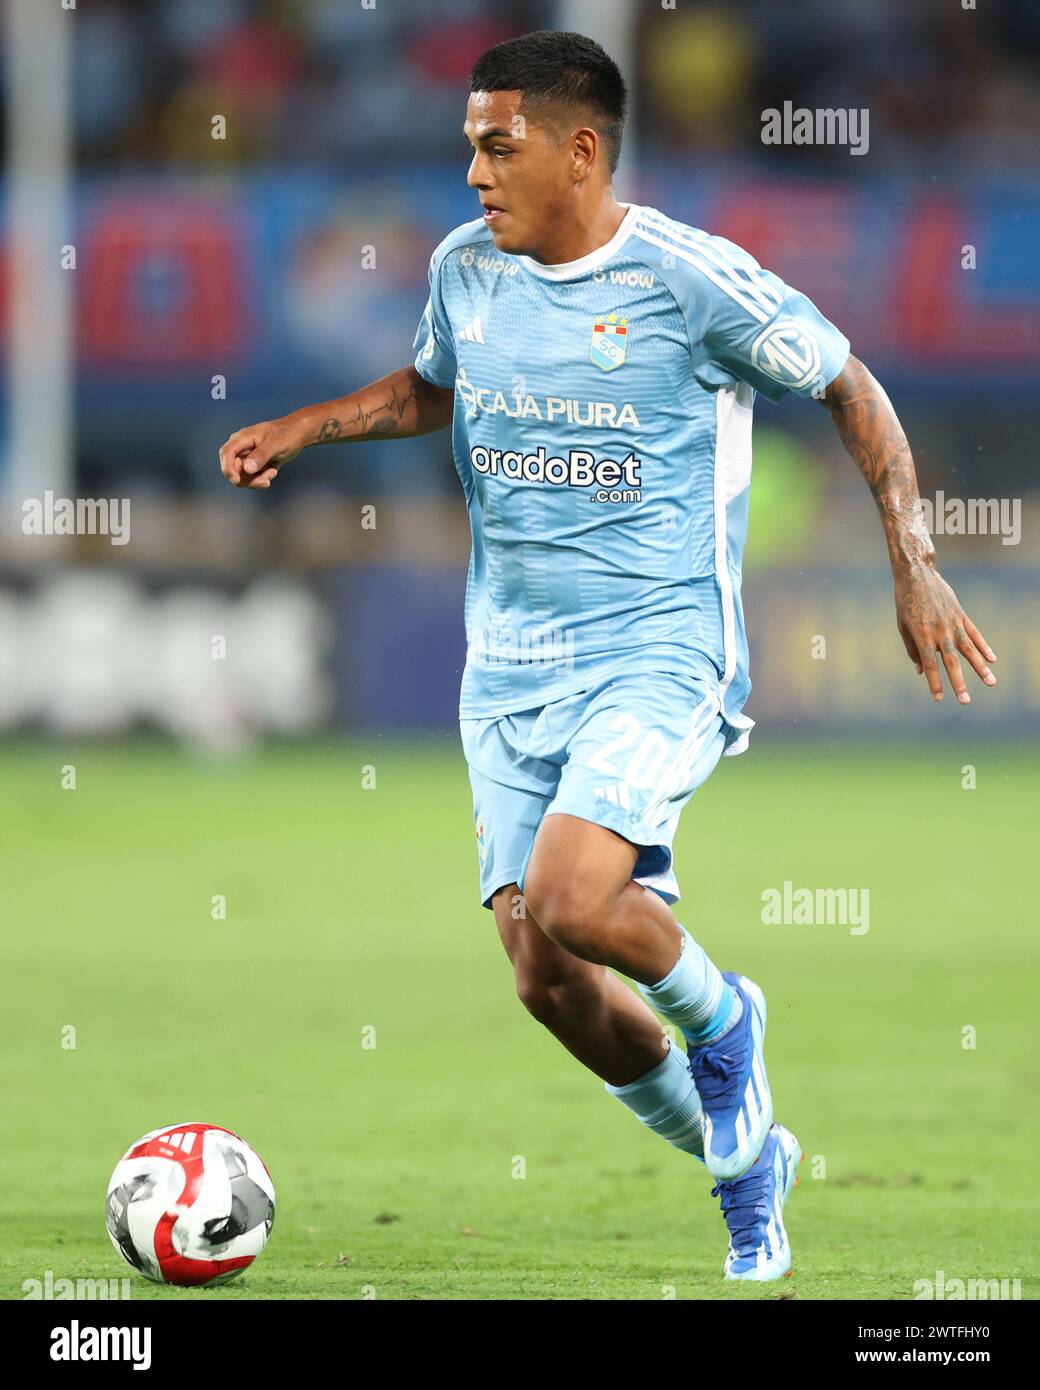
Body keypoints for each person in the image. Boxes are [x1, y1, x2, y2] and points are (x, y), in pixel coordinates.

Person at [218, 30, 996, 1282]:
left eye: (497, 146)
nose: (473, 172)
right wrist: (307, 427)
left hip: (659, 648)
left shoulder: (690, 281)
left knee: (578, 898)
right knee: (547, 978)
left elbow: (849, 385)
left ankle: (726, 1021)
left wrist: (912, 561)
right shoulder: (464, 268)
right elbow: (438, 385)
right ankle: (746, 1162)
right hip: (506, 662)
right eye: (470, 145)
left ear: (578, 151)